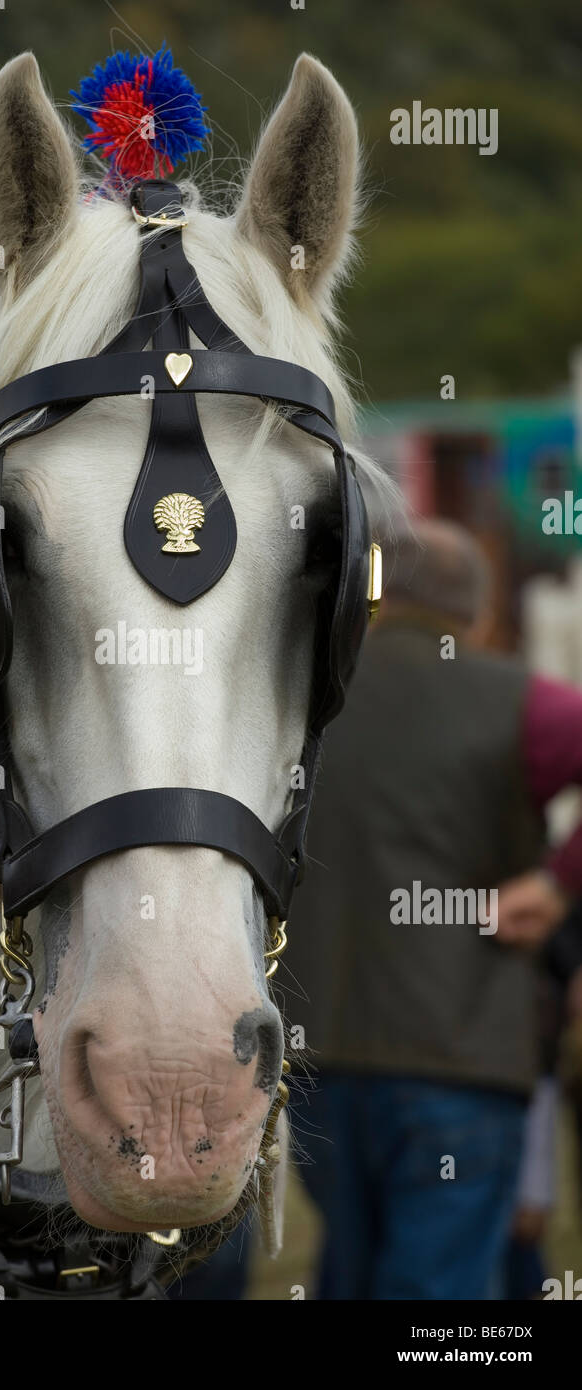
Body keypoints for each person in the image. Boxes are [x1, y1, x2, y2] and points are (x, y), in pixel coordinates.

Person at [278, 517, 582, 1299]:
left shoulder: (294, 700)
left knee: (350, 1268)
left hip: (317, 1060)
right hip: (463, 1053)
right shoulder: (520, 702)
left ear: (370, 593)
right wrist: (555, 885)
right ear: (477, 613)